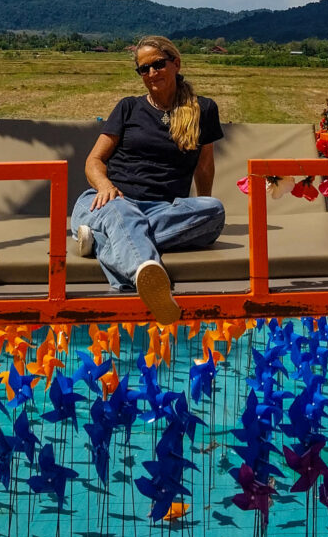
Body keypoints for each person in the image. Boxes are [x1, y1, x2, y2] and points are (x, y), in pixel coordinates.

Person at [71, 36, 226, 325]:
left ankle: (100, 244)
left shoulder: (203, 110)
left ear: (176, 63)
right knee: (124, 211)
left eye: (158, 64)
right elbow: (94, 161)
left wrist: (196, 206)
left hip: (163, 209)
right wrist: (105, 187)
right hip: (109, 202)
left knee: (214, 210)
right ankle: (147, 272)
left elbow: (205, 167)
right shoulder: (128, 107)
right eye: (144, 69)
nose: (152, 73)